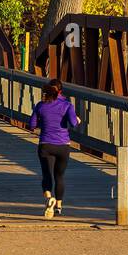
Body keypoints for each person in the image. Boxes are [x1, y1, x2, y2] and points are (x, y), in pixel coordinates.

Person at [28, 78, 79, 217]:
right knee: (59, 176)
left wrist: (43, 122)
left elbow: (32, 125)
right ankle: (59, 207)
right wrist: (77, 120)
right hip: (63, 146)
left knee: (47, 175)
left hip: (45, 145)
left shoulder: (40, 105)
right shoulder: (67, 105)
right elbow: (74, 123)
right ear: (60, 91)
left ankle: (49, 198)